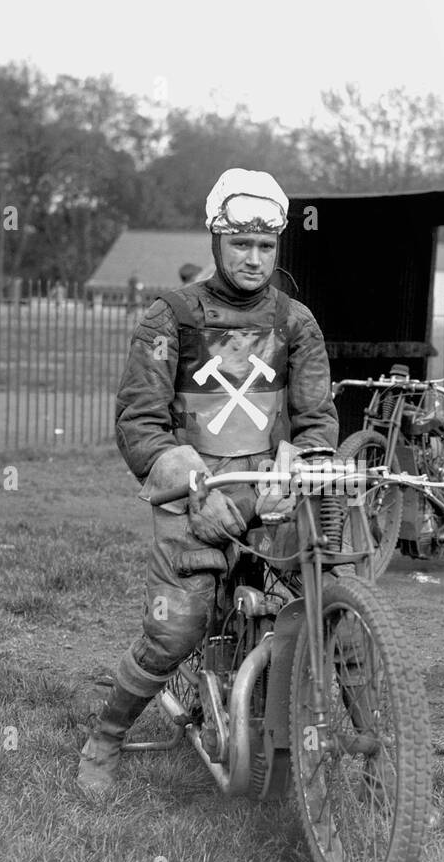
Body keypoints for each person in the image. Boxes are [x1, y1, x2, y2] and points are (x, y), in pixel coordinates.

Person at [77, 168, 338, 794]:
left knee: (330, 606)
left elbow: (316, 417)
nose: (254, 259)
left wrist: (302, 459)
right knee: (178, 628)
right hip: (190, 495)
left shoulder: (297, 322)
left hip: (272, 497)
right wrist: (198, 487)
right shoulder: (170, 316)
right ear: (216, 240)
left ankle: (358, 752)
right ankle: (106, 738)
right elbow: (140, 424)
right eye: (241, 244)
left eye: (266, 246)